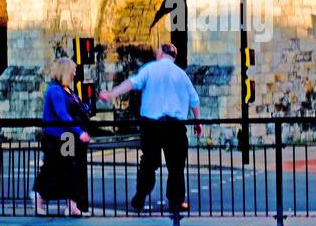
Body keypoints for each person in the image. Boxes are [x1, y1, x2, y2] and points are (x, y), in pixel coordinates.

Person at [100, 41, 202, 215]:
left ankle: (140, 197)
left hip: (152, 125)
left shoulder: (150, 69)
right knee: (176, 167)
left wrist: (111, 94)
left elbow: (132, 83)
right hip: (175, 127)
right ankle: (176, 202)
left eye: (157, 52)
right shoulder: (181, 75)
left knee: (148, 164)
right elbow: (194, 100)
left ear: (161, 53)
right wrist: (198, 122)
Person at [33, 57, 91, 217]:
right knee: (53, 170)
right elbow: (63, 115)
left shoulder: (66, 90)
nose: (74, 73)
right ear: (65, 71)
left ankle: (71, 206)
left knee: (69, 171)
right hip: (56, 138)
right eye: (72, 69)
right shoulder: (55, 90)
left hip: (66, 137)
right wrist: (80, 132)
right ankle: (39, 199)